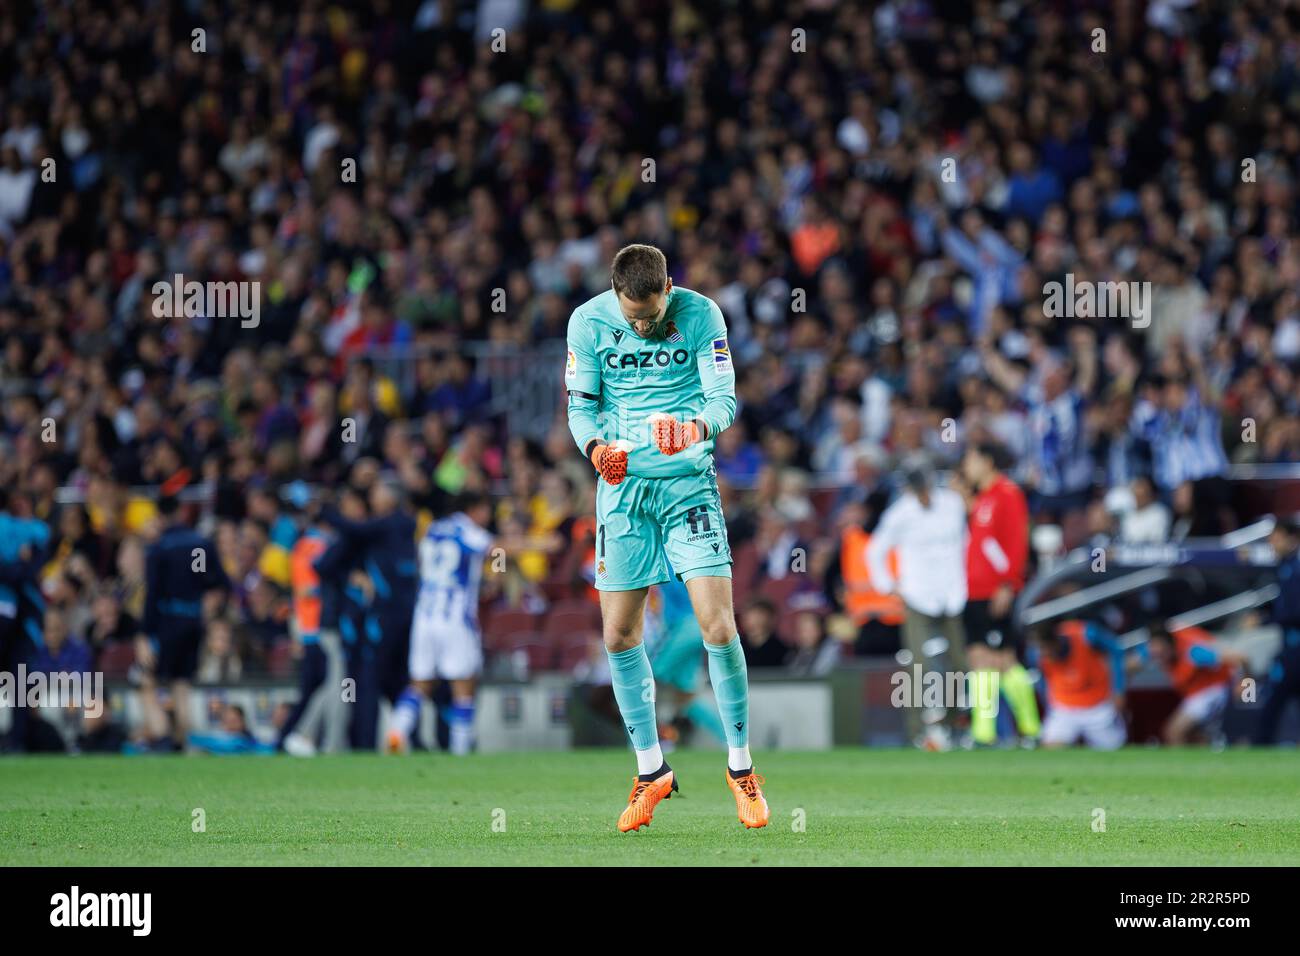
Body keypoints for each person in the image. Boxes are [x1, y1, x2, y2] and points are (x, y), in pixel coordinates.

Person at [565, 243, 768, 831]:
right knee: (619, 634)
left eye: (652, 316)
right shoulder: (588, 322)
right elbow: (581, 407)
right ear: (616, 294)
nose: (643, 326)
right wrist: (596, 449)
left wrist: (696, 427)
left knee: (719, 626)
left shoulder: (703, 315)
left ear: (668, 289)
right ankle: (652, 771)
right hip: (623, 491)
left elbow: (724, 399)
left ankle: (740, 768)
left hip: (688, 489)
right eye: (634, 318)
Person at [866, 463, 968, 745]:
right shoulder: (901, 513)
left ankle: (951, 728)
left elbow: (964, 542)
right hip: (918, 596)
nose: (923, 495)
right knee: (920, 666)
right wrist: (888, 585)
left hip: (952, 594)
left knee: (959, 663)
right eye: (917, 490)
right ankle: (917, 733)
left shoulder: (953, 504)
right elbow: (875, 550)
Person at [387, 492, 494, 755]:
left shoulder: (432, 529)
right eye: (486, 510)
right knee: (464, 683)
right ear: (475, 508)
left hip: (425, 616)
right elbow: (494, 549)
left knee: (421, 683)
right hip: (454, 617)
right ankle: (460, 750)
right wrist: (541, 544)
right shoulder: (468, 531)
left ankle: (397, 731)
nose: (488, 517)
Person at [137, 495, 229, 750]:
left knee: (147, 681)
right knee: (181, 683)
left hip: (168, 621)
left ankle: (164, 735)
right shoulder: (200, 545)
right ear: (181, 511)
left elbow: (152, 594)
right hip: (193, 621)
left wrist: (144, 634)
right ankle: (181, 739)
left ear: (159, 516)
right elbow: (217, 581)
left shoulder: (160, 548)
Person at [1028, 619, 1133, 750]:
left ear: (1054, 642)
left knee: (1114, 752)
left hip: (1097, 706)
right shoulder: (1036, 653)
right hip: (1064, 708)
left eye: (1045, 648)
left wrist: (1118, 690)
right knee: (1051, 749)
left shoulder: (1085, 634)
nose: (1043, 654)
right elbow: (1044, 681)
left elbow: (1116, 650)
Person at [1146, 623, 1246, 745]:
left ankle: (1180, 764)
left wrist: (1244, 685)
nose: (1158, 658)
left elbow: (1241, 658)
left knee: (1174, 731)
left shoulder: (1193, 653)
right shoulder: (1161, 655)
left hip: (1214, 690)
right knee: (1194, 738)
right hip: (1197, 696)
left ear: (1169, 646)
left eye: (1161, 652)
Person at [1252, 518, 1300, 745]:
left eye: (1276, 538)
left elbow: (1294, 612)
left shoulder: (1295, 569)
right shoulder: (1286, 568)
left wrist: (1265, 620)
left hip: (1295, 653)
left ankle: (1259, 749)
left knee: (1270, 707)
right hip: (1290, 650)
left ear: (1293, 539)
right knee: (1270, 706)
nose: (1272, 543)